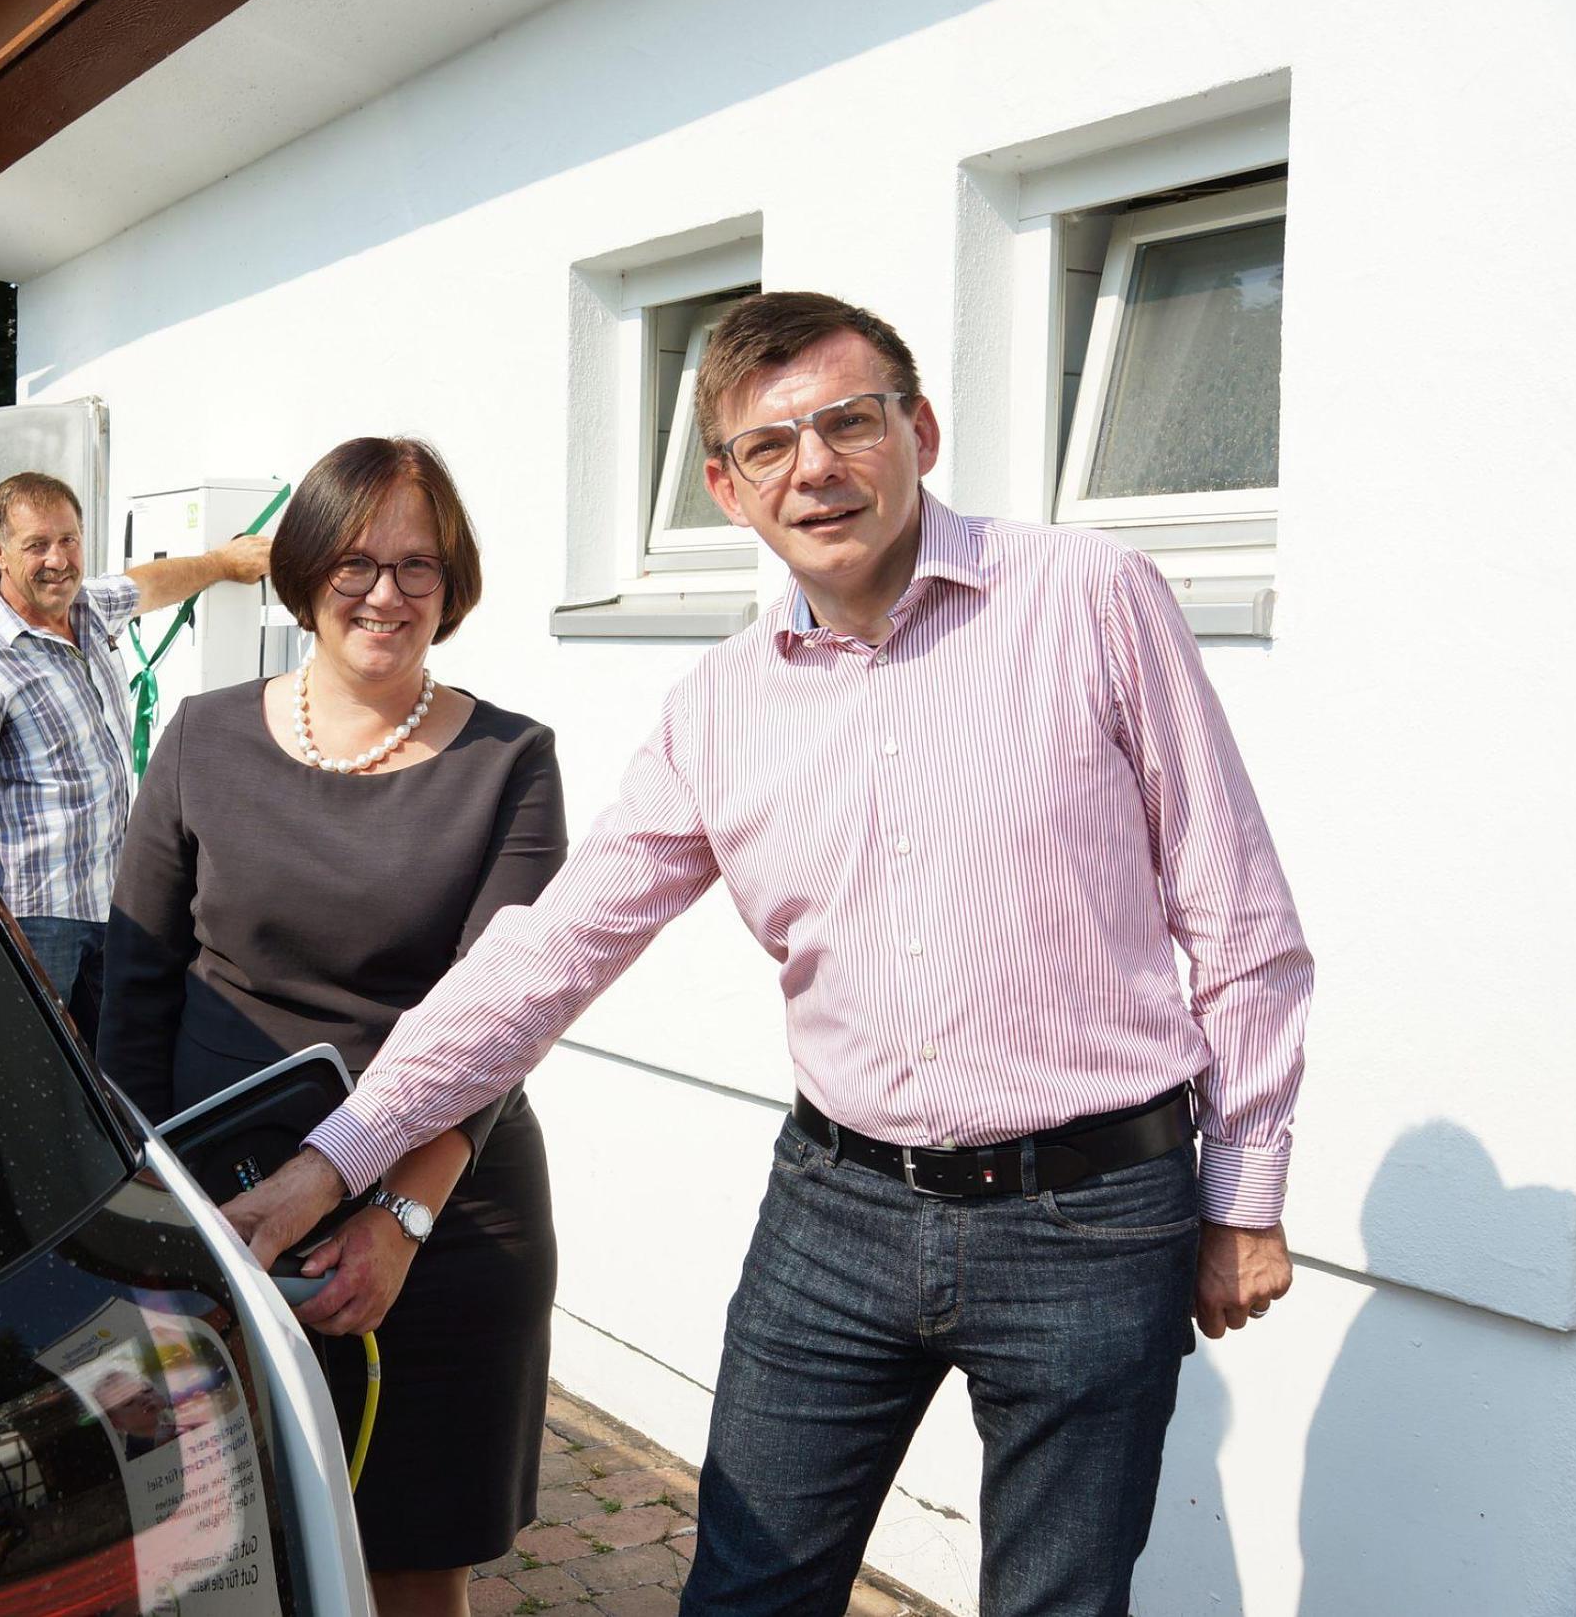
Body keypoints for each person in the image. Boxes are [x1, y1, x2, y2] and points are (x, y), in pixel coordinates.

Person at [224, 294, 1313, 1617]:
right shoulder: (721, 710)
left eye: (848, 421)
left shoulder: (1091, 598)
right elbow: (542, 961)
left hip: (1092, 1218)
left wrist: (1245, 1191)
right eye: (769, 443)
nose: (816, 465)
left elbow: (1237, 913)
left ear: (917, 427)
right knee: (744, 1593)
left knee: (1059, 1603)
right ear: (725, 488)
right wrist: (332, 1160)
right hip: (838, 1216)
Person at [96, 437, 565, 1617]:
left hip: (444, 1215)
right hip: (225, 1210)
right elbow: (135, 993)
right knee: (215, 1562)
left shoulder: (511, 763)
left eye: (419, 566)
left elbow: (497, 1016)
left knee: (408, 1570)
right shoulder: (201, 737)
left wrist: (400, 1217)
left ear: (453, 585)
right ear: (302, 572)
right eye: (355, 561)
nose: (386, 593)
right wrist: (150, 1223)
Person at [0, 471, 270, 1039]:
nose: (57, 559)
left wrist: (222, 563)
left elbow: (149, 584)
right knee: (38, 1060)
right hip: (34, 916)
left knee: (120, 1057)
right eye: (36, 545)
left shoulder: (87, 608)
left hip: (114, 900)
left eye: (68, 539)